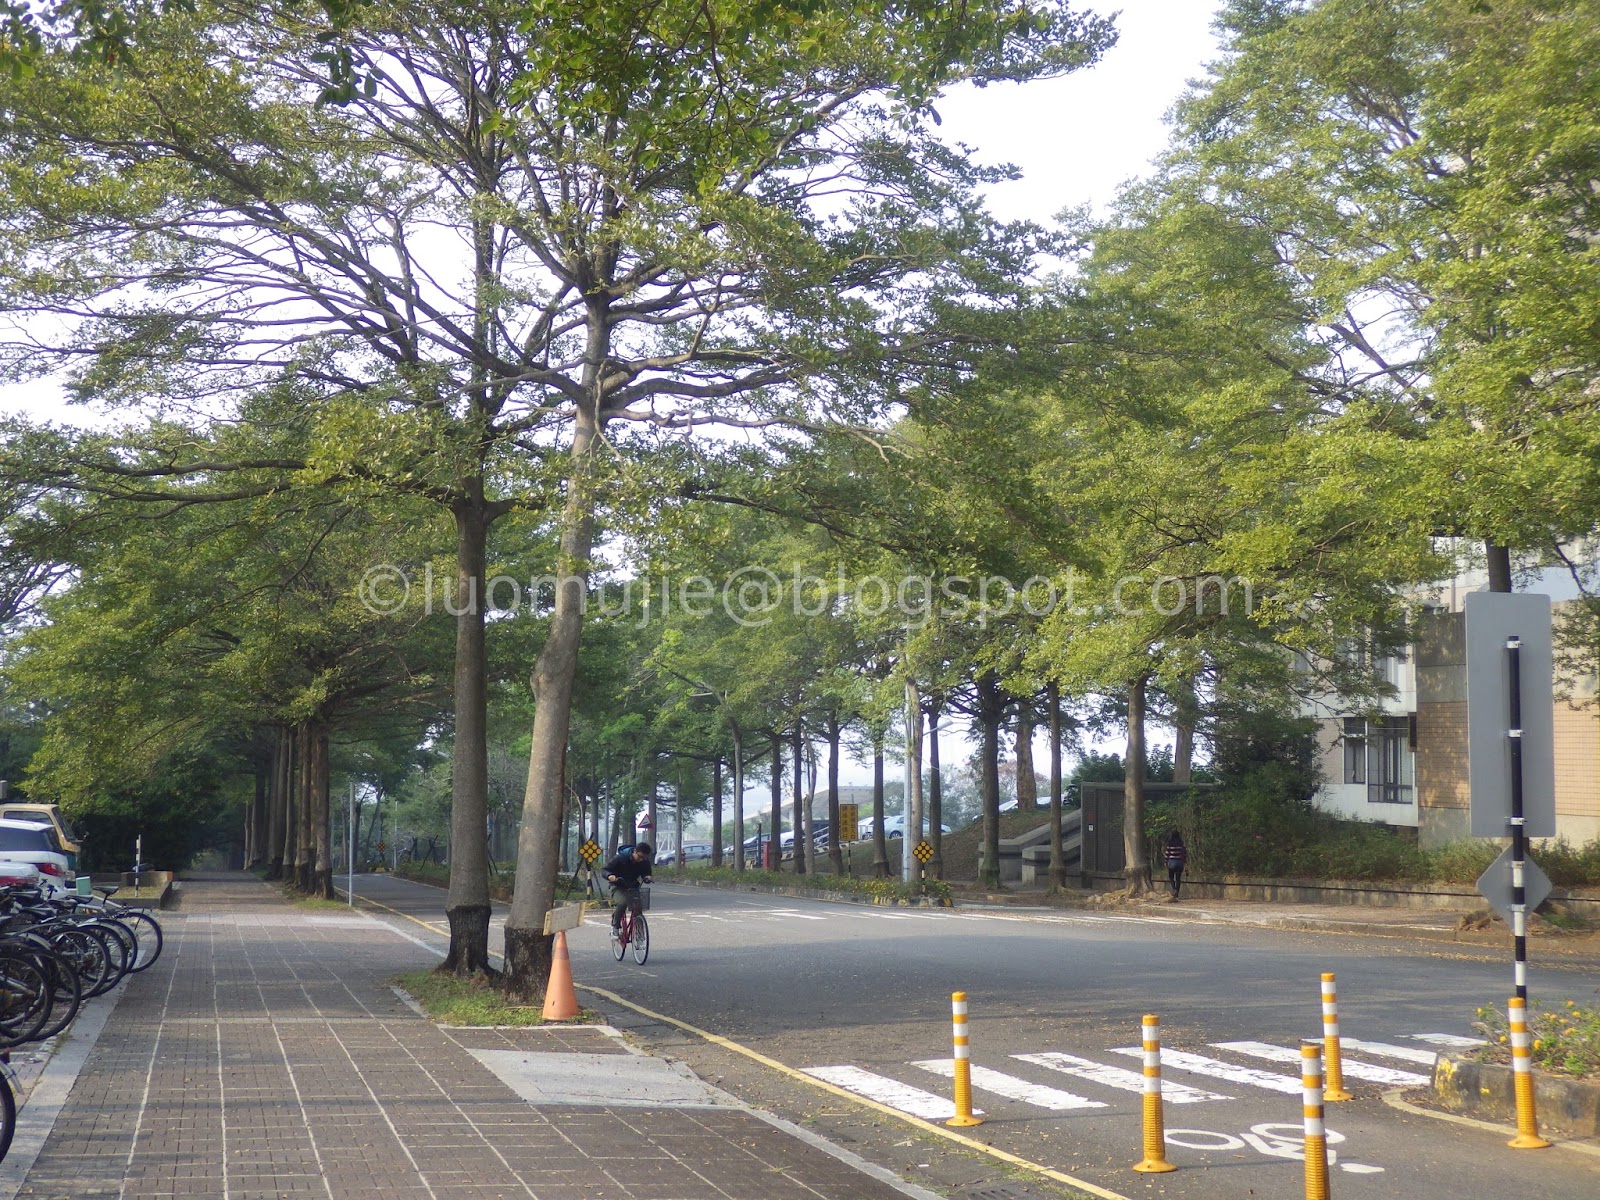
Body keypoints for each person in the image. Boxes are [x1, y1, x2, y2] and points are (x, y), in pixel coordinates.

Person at [602, 842, 653, 936]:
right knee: (623, 903)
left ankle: (639, 933)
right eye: (640, 856)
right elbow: (605, 870)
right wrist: (610, 876)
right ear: (635, 851)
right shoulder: (621, 858)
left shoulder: (644, 862)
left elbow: (647, 873)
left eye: (644, 858)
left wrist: (648, 877)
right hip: (617, 886)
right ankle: (615, 926)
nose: (641, 860)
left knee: (638, 908)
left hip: (633, 887)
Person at [1163, 830, 1188, 899]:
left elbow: (1167, 854)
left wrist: (1165, 862)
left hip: (1172, 863)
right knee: (1178, 878)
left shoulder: (1170, 845)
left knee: (1171, 877)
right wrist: (1185, 863)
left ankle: (1174, 889)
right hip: (1180, 863)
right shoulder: (1181, 845)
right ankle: (1177, 892)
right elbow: (1184, 855)